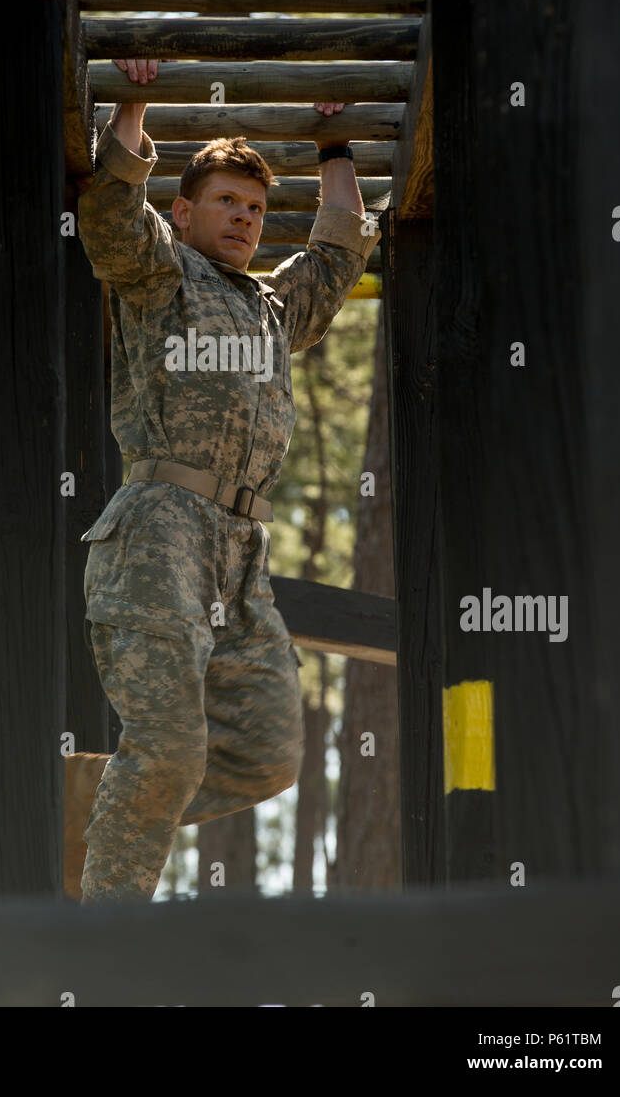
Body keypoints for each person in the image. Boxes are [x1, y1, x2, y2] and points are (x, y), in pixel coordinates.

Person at [66, 57, 382, 904]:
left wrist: (335, 138)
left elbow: (340, 243)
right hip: (161, 529)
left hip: (242, 551)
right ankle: (104, 931)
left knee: (270, 750)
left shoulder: (274, 309)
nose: (243, 218)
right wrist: (134, 100)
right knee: (169, 746)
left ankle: (109, 809)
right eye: (225, 204)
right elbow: (109, 212)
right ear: (184, 211)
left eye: (252, 208)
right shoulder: (160, 277)